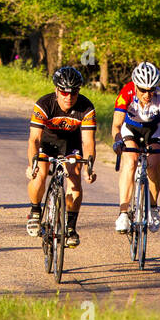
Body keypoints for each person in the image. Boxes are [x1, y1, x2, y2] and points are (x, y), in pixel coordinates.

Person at [25, 65, 97, 247]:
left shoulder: (86, 107)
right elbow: (34, 139)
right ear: (56, 90)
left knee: (74, 179)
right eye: (64, 93)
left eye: (73, 93)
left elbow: (88, 142)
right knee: (40, 175)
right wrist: (32, 163)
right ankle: (35, 211)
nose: (69, 97)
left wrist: (89, 166)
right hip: (46, 143)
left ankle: (70, 227)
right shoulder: (44, 104)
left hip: (71, 144)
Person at [111, 61, 160, 234]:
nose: (147, 94)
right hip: (131, 129)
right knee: (131, 161)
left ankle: (154, 206)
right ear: (135, 86)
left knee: (154, 164)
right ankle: (124, 213)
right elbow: (117, 125)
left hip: (153, 130)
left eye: (151, 90)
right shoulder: (126, 92)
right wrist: (118, 141)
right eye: (143, 90)